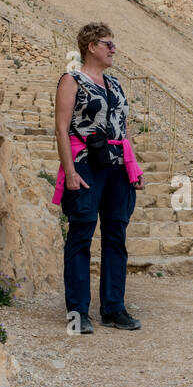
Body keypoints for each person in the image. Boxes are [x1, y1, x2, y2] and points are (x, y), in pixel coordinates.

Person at [51, 22, 143, 332]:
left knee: (116, 236)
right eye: (108, 43)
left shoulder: (115, 84)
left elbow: (124, 127)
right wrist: (71, 171)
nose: (113, 48)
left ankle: (113, 308)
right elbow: (62, 128)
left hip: (118, 167)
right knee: (81, 236)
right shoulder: (71, 80)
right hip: (86, 164)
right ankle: (77, 313)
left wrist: (135, 167)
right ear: (91, 46)